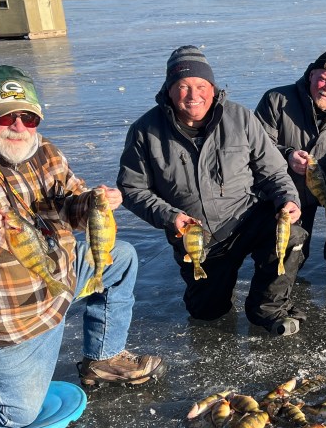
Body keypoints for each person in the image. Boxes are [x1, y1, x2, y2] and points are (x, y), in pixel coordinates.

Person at [0, 65, 164, 428]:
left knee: (118, 257)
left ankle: (102, 359)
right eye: (6, 116)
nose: (19, 127)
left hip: (55, 282)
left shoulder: (42, 151)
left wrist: (91, 204)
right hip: (7, 319)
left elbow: (67, 201)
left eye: (29, 117)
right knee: (13, 415)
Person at [118, 46, 307, 335]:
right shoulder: (145, 131)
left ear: (213, 87)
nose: (194, 95)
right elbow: (132, 188)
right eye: (183, 86)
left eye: (201, 85)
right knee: (208, 312)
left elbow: (273, 171)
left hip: (246, 219)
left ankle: (268, 308)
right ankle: (216, 290)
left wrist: (288, 198)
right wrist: (170, 217)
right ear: (169, 89)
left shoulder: (240, 118)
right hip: (197, 235)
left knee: (291, 235)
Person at [255, 44, 326, 292]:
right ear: (311, 75)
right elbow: (257, 148)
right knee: (294, 260)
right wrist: (287, 156)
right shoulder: (276, 101)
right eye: (322, 79)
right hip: (287, 189)